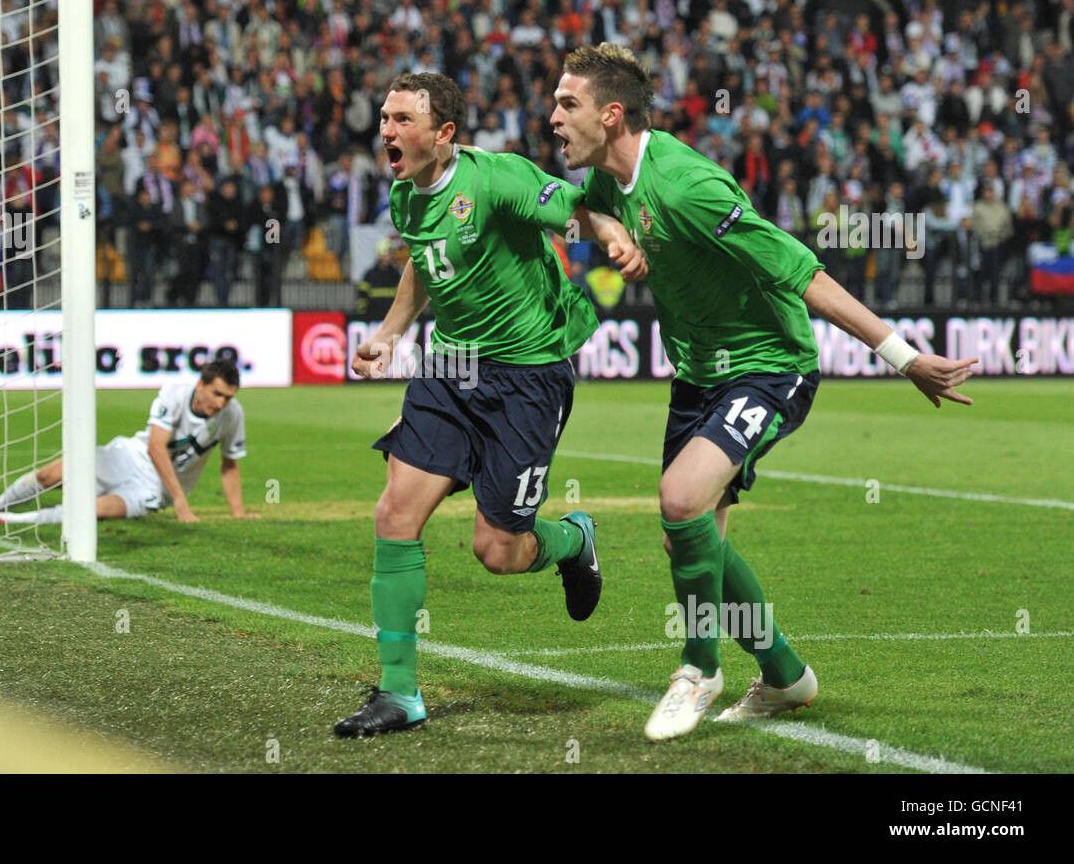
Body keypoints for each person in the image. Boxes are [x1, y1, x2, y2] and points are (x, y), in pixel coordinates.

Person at [549, 43, 976, 742]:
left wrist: (902, 357)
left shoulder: (688, 185)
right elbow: (573, 206)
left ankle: (698, 669)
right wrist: (608, 229)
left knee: (682, 500)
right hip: (698, 371)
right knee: (687, 536)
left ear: (612, 115)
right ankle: (785, 676)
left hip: (770, 363)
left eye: (568, 105)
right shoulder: (607, 179)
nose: (554, 118)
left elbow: (800, 272)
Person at [333, 72, 645, 738]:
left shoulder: (497, 178)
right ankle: (399, 693)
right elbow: (424, 261)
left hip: (527, 375)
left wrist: (612, 235)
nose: (387, 130)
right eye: (385, 118)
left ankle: (572, 540)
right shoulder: (404, 196)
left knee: (498, 551)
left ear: (445, 134)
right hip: (449, 366)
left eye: (403, 120)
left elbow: (572, 211)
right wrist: (390, 332)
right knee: (394, 513)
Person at [0, 358, 257, 525]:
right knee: (51, 474)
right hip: (131, 457)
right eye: (217, 394)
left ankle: (1, 520)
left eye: (228, 397)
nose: (221, 403)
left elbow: (229, 464)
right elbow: (155, 446)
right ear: (201, 384)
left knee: (92, 511)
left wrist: (238, 511)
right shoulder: (175, 393)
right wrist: (181, 501)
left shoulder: (233, 414)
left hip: (154, 489)